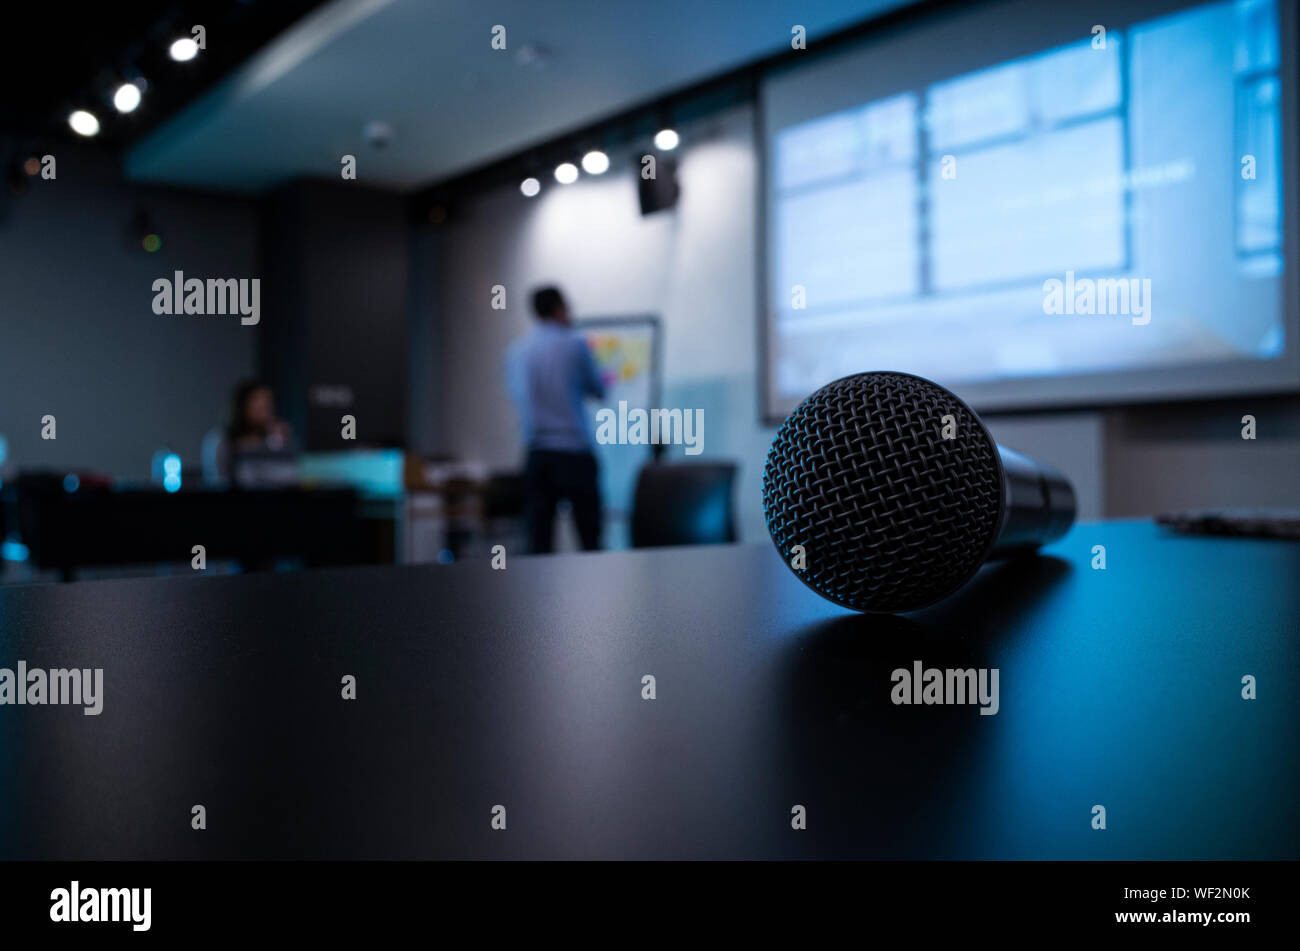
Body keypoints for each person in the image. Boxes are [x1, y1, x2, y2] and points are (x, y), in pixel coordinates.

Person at [506, 286, 606, 553]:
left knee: (539, 543)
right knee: (590, 539)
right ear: (559, 308)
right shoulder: (575, 345)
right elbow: (598, 390)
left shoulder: (518, 351)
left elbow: (519, 398)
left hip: (539, 453)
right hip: (575, 452)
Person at [202, 380, 295, 486]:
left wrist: (279, 443)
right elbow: (217, 481)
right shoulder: (220, 439)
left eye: (268, 404)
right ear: (243, 406)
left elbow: (290, 476)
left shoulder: (276, 439)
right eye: (258, 404)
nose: (265, 410)